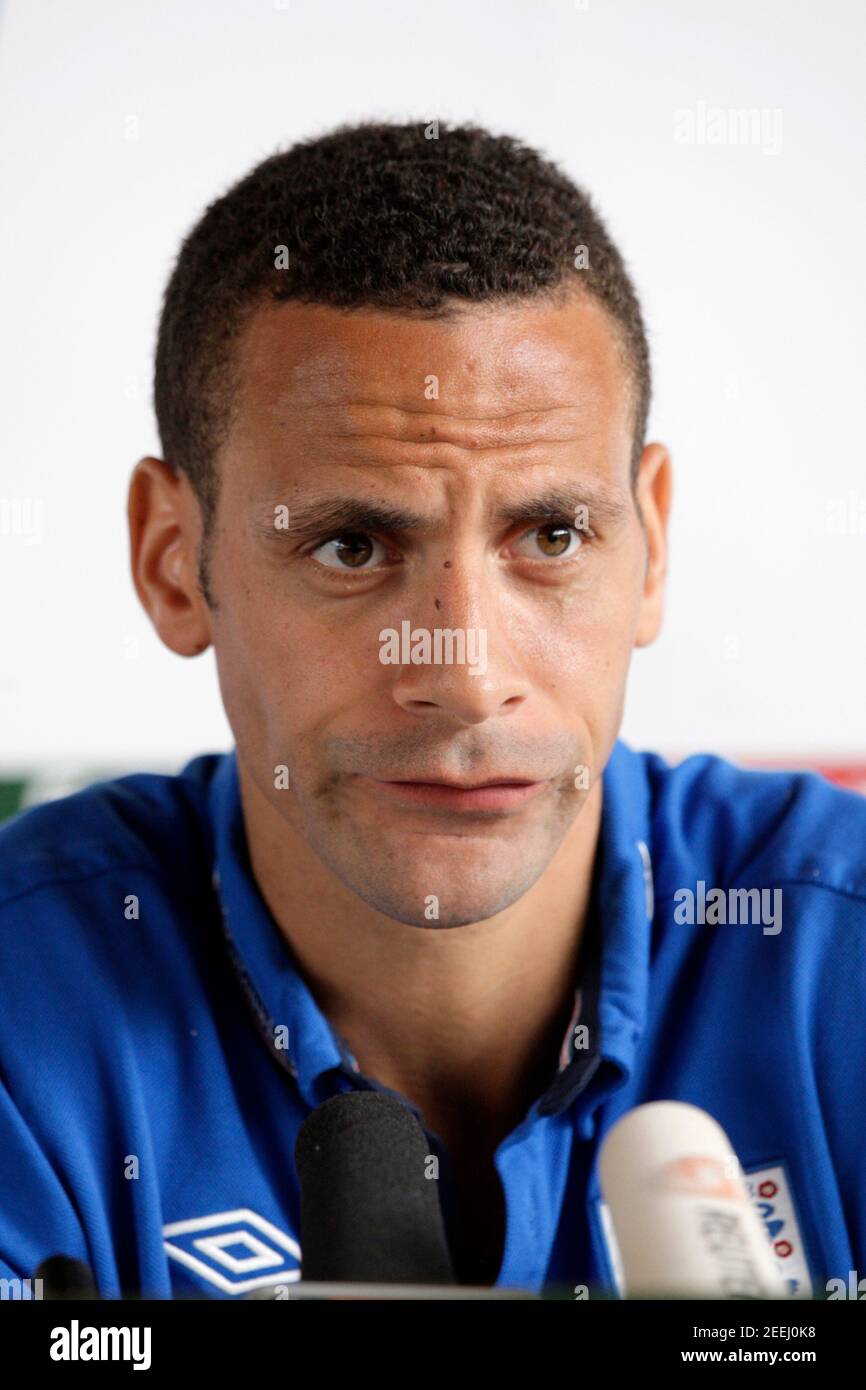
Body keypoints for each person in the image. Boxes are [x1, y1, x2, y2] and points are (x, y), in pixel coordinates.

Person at [1, 120, 863, 1299]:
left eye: (550, 535)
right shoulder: (21, 1009)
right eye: (352, 545)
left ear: (648, 544)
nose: (462, 670)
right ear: (170, 558)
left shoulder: (838, 951)